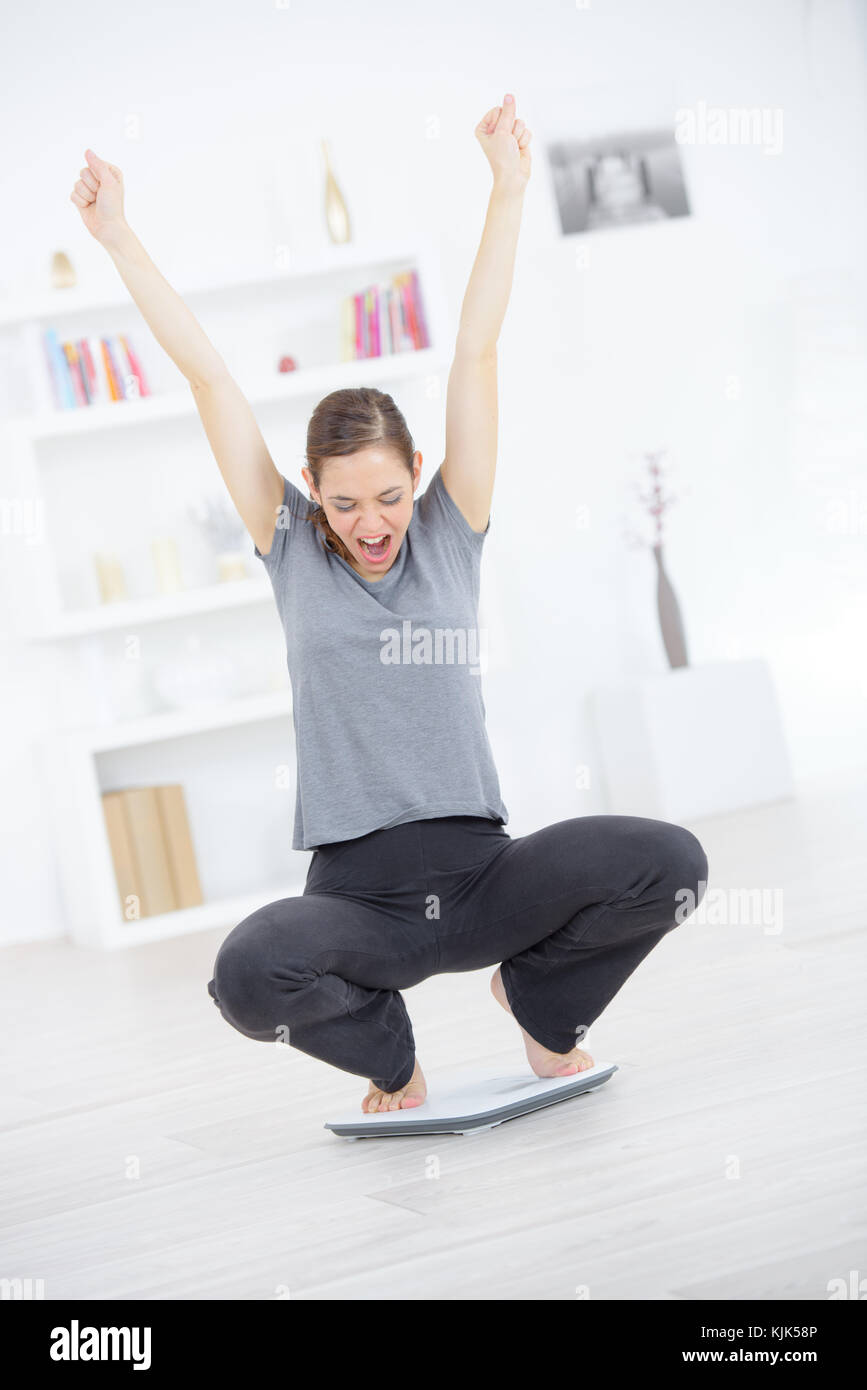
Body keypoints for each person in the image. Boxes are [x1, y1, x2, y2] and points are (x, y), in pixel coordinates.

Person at [71, 94, 708, 1116]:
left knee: (671, 863)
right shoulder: (291, 551)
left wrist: (507, 189)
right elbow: (210, 380)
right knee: (244, 976)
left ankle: (545, 1005)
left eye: (388, 497)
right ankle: (392, 1059)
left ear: (418, 473)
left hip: (486, 877)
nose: (371, 524)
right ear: (311, 495)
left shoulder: (452, 526)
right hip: (363, 904)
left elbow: (478, 352)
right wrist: (118, 237)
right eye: (343, 503)